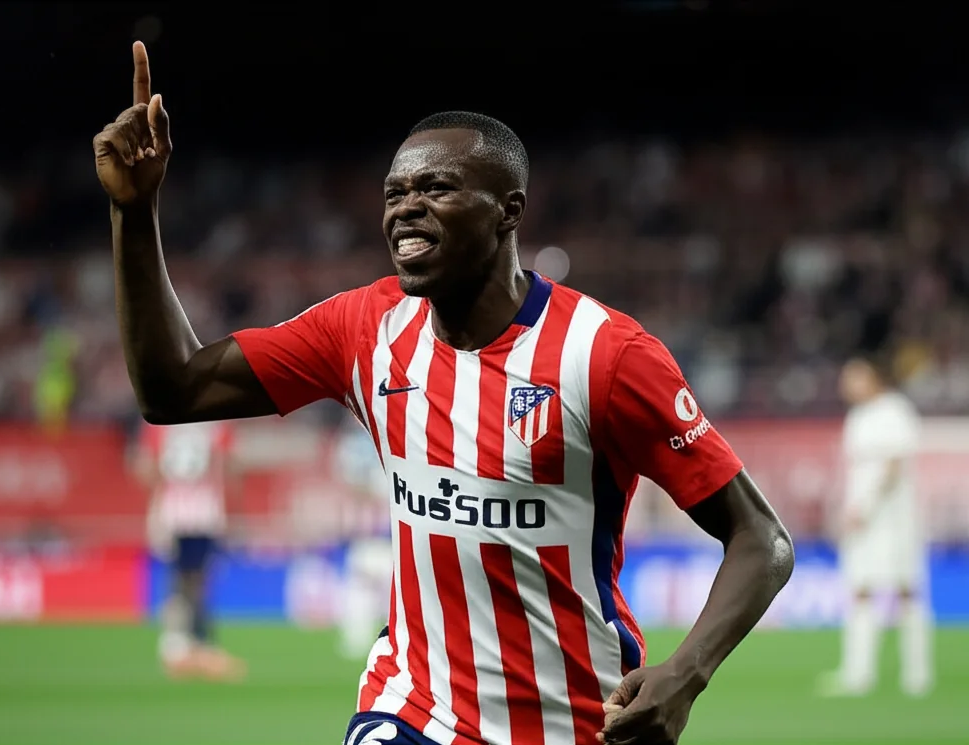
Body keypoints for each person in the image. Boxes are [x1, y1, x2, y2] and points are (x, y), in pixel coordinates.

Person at [93, 41, 794, 745]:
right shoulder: (363, 329)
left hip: (573, 721)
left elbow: (760, 538)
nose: (406, 209)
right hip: (411, 709)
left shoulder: (604, 354)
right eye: (395, 194)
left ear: (507, 212)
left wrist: (685, 673)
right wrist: (134, 212)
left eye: (436, 188)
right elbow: (173, 388)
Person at [817, 355, 932, 698]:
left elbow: (894, 466)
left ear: (873, 378)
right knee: (860, 591)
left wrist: (865, 506)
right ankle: (858, 673)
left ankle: (918, 674)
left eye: (854, 378)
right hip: (861, 521)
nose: (847, 386)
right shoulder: (857, 417)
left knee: (906, 591)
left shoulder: (896, 411)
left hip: (895, 521)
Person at [134, 420, 247, 681]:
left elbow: (145, 468)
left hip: (171, 511)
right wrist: (235, 513)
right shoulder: (216, 425)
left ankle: (181, 645)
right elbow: (231, 466)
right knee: (196, 581)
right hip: (203, 512)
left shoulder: (160, 423)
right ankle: (192, 646)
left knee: (180, 580)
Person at [332, 419, 394, 661]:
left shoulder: (354, 446)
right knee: (367, 592)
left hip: (381, 538)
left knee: (369, 592)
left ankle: (357, 642)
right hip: (375, 538)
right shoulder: (364, 445)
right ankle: (357, 641)